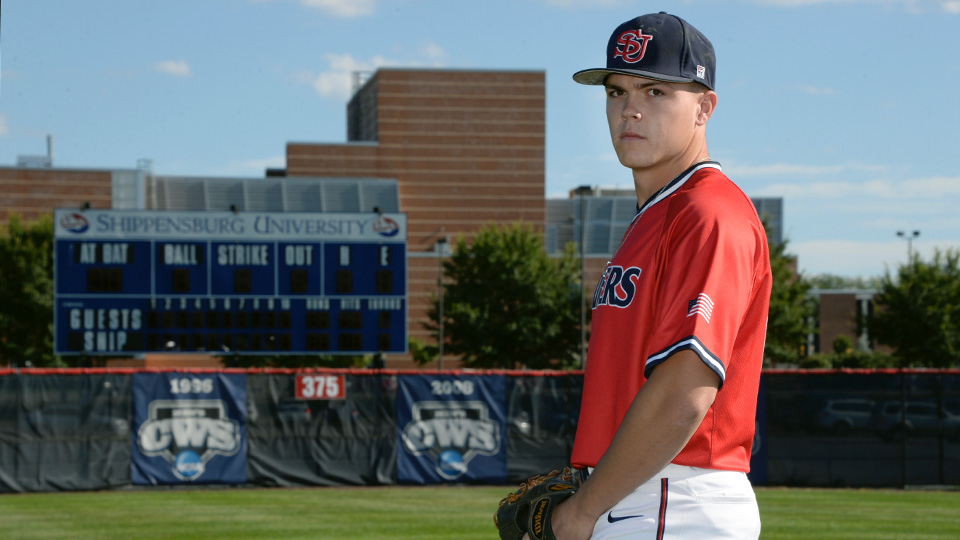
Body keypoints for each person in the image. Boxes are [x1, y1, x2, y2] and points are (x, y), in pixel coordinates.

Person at [538, 12, 772, 540]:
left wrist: (579, 512)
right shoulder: (658, 217)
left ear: (704, 108)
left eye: (657, 92)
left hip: (673, 497)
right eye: (617, 92)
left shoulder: (709, 213)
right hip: (642, 495)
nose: (631, 110)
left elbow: (683, 394)